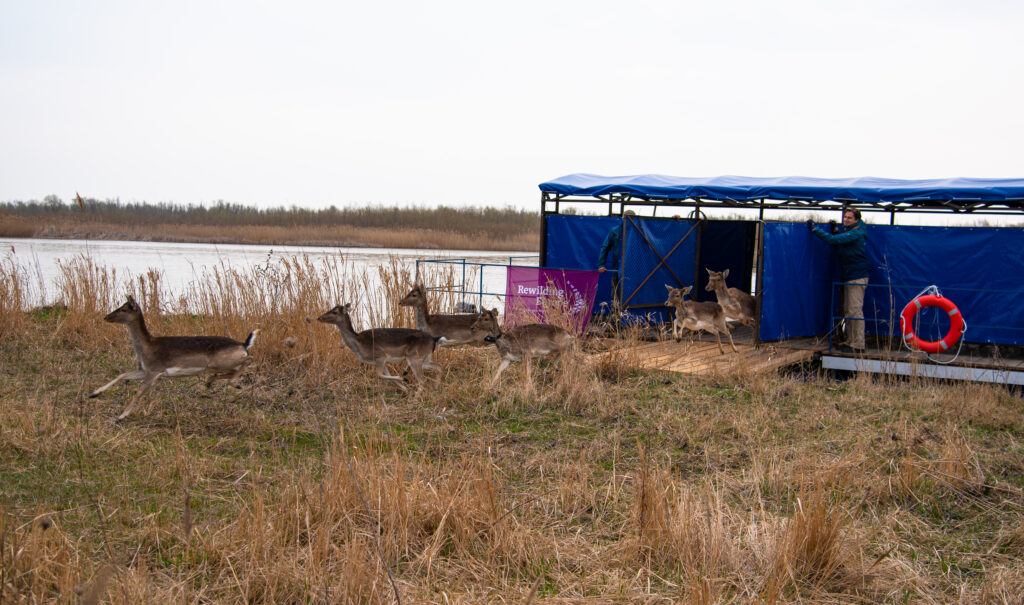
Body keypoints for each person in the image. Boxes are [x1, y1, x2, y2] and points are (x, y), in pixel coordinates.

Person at [807, 208, 869, 353]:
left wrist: (815, 230)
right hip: (850, 275)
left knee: (855, 310)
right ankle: (850, 341)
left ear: (856, 220)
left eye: (849, 218)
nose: (846, 220)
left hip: (857, 276)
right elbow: (841, 239)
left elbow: (834, 240)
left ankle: (858, 344)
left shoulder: (857, 232)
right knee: (848, 310)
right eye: (845, 217)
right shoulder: (851, 231)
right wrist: (835, 228)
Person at [597, 210, 635, 308]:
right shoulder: (615, 231)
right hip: (618, 267)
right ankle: (616, 315)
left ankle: (631, 316)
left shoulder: (639, 230)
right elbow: (605, 247)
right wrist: (601, 264)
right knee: (616, 292)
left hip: (634, 267)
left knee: (633, 291)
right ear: (623, 218)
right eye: (626, 218)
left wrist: (674, 219)